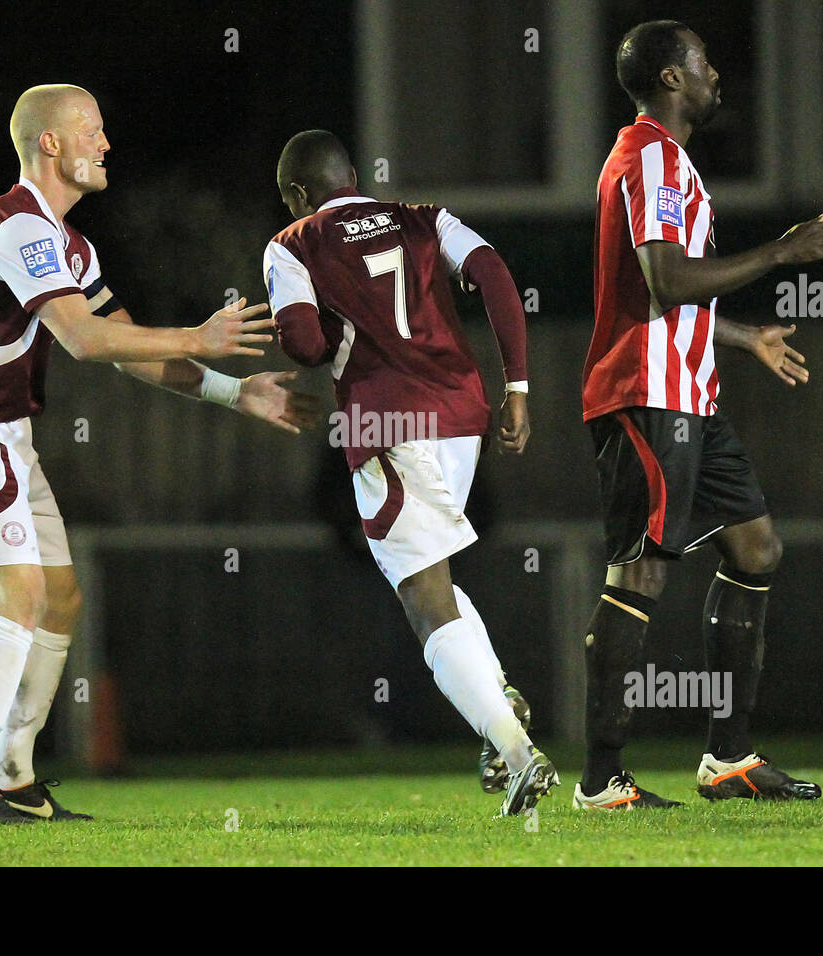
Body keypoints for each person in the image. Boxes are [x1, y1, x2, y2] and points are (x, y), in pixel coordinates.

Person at [0, 84, 316, 824]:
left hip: (4, 435)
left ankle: (15, 779)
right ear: (50, 145)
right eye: (90, 130)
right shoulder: (15, 224)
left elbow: (128, 352)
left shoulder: (71, 243)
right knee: (20, 597)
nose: (104, 143)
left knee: (58, 598)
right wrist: (197, 336)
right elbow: (85, 340)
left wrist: (235, 392)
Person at [577, 22, 823, 809]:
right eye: (703, 61)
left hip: (688, 394)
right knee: (637, 573)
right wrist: (780, 251)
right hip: (647, 394)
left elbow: (663, 295)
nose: (714, 72)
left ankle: (728, 759)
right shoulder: (651, 156)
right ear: (672, 78)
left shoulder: (661, 157)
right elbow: (667, 280)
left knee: (757, 547)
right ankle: (601, 782)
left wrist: (741, 337)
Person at [263, 129, 553, 816]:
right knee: (437, 576)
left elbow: (303, 344)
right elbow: (494, 274)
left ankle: (513, 749)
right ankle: (496, 694)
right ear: (356, 175)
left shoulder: (294, 241)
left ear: (299, 195)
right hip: (461, 413)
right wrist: (518, 388)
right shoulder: (422, 217)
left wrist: (336, 333)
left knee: (423, 602)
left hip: (387, 421)